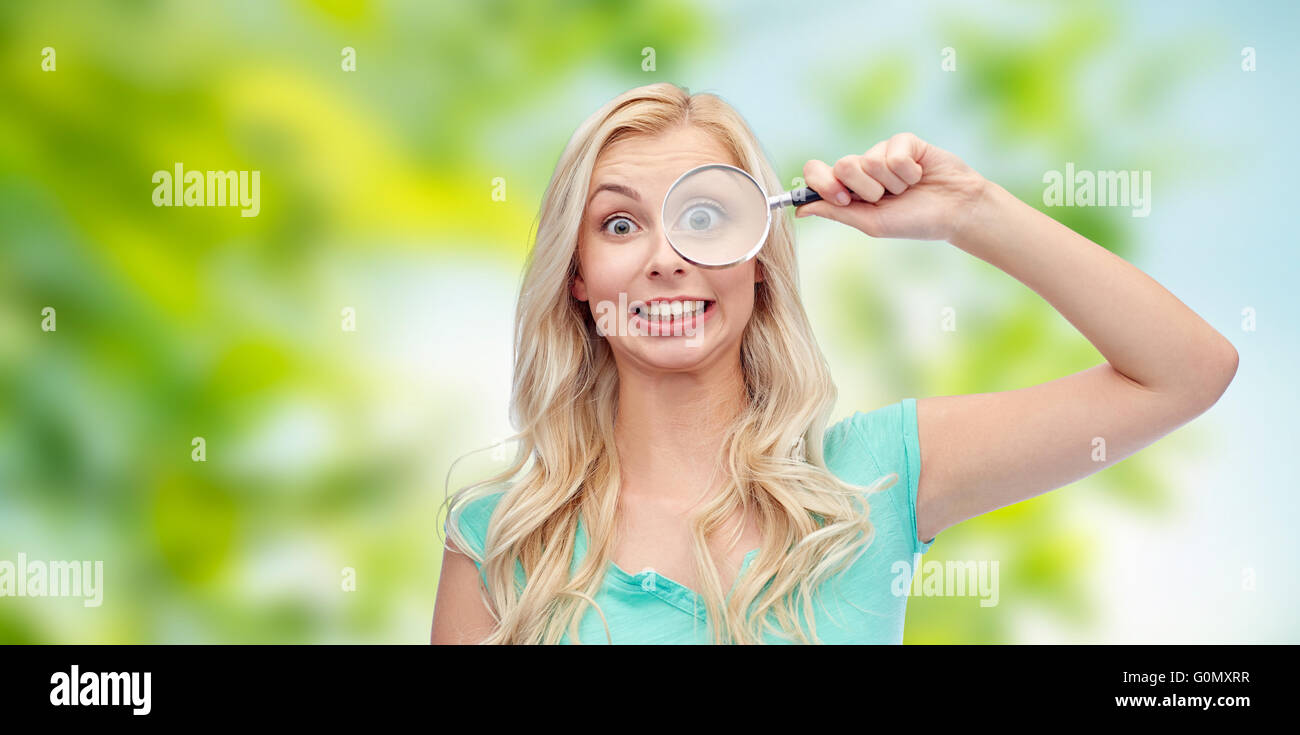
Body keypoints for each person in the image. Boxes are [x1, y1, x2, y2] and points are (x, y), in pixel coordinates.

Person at [431, 82, 1238, 644]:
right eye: (617, 225)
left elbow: (1186, 370)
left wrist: (968, 211)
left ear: (757, 255)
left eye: (705, 215)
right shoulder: (499, 540)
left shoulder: (877, 479)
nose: (665, 257)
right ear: (576, 276)